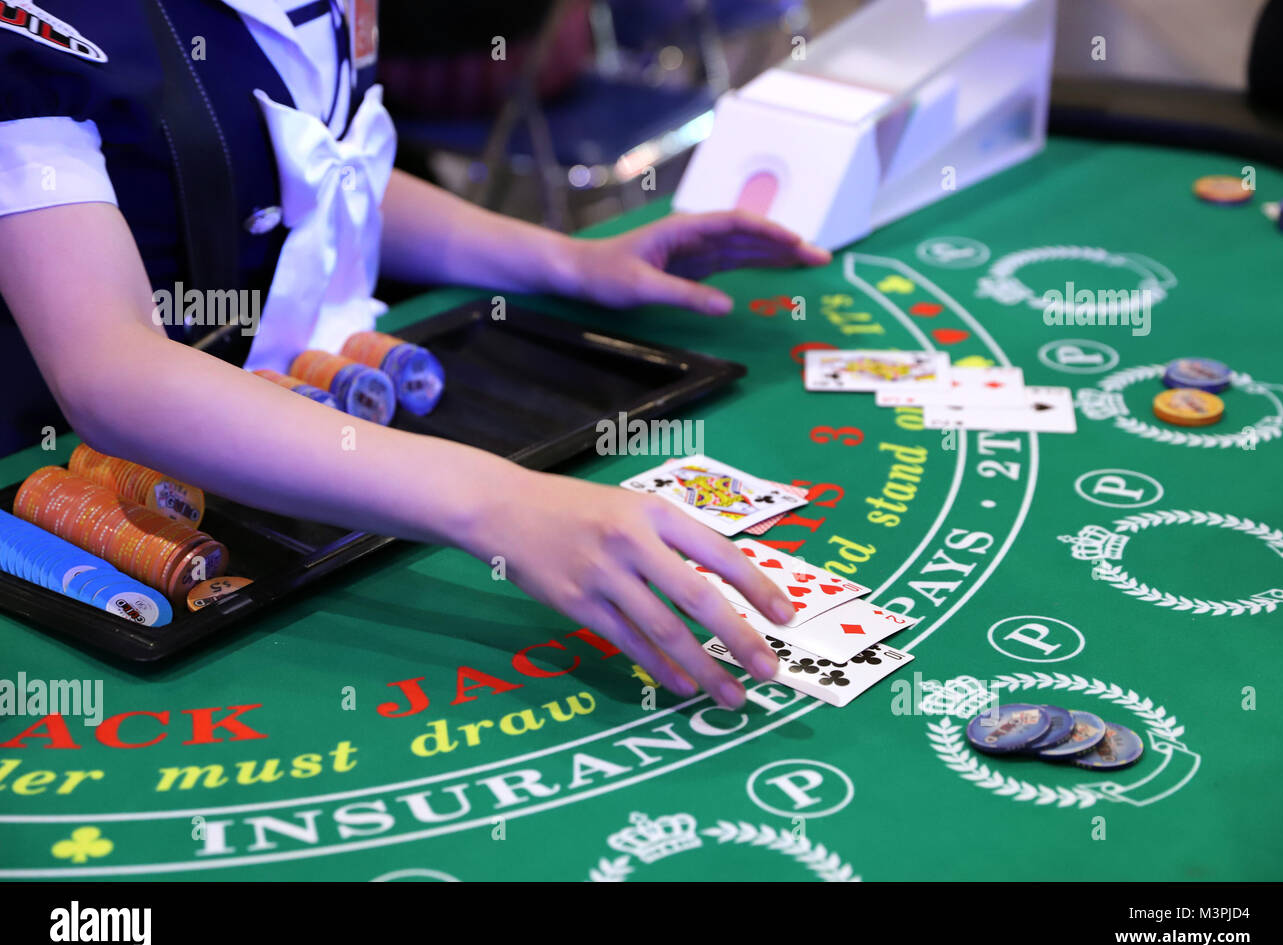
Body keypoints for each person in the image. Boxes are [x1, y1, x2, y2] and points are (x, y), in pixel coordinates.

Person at [0, 1, 830, 709]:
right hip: (70, 486)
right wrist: (492, 499)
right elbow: (110, 370)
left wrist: (571, 262)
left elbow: (326, 179)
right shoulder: (42, 30)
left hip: (306, 421)